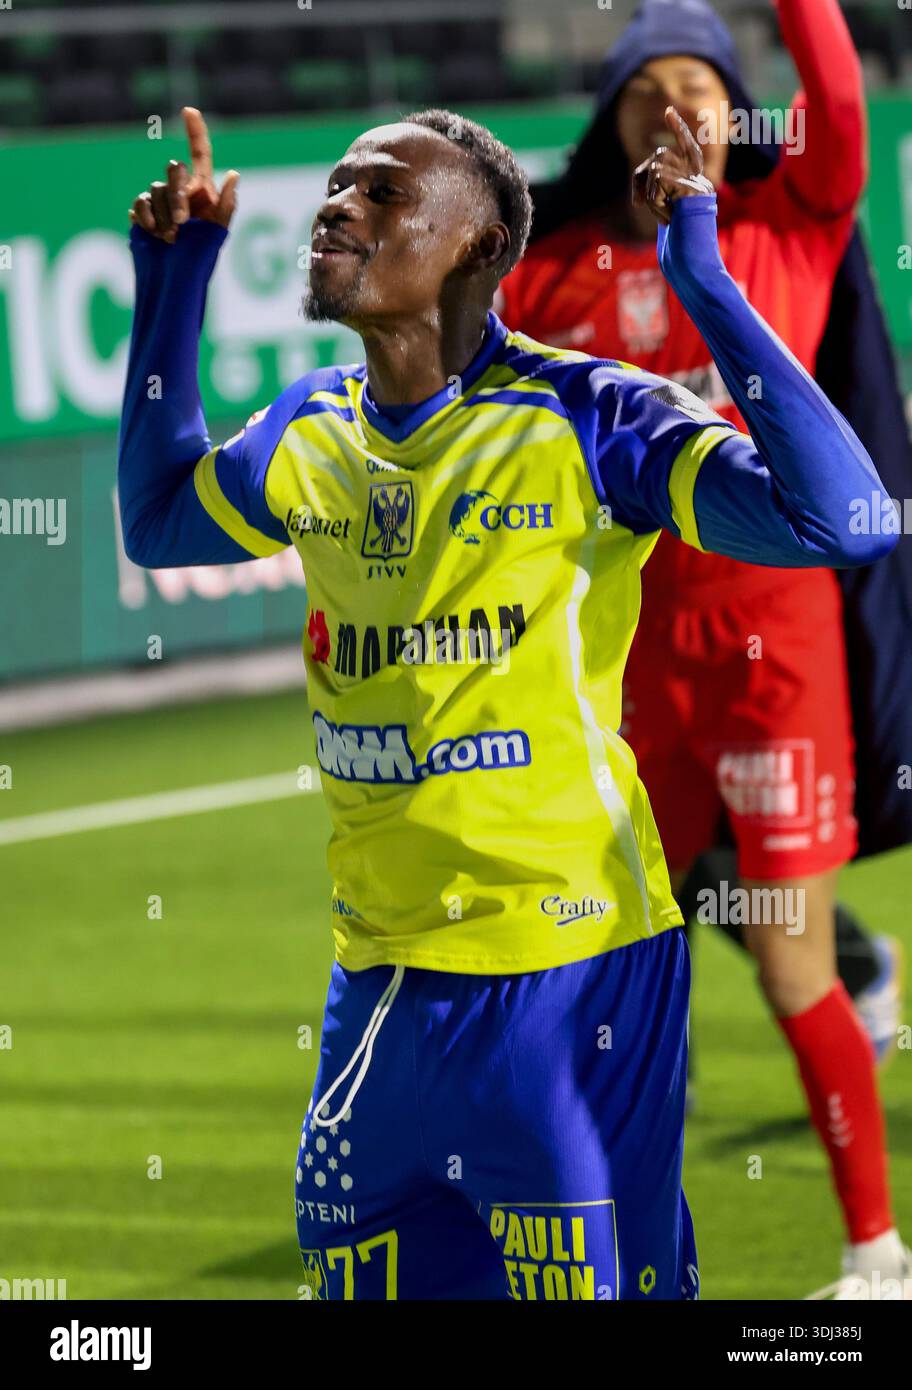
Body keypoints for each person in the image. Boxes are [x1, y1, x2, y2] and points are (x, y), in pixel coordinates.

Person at [119, 103, 895, 1301]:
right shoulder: (310, 427)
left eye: (381, 193)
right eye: (336, 184)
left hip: (572, 975)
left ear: (480, 247)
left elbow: (843, 519)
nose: (337, 205)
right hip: (375, 990)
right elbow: (160, 517)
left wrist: (707, 279)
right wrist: (172, 283)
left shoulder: (590, 417)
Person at [499, 0, 910, 1298]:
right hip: (623, 679)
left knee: (791, 960)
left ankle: (875, 1253)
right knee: (603, 965)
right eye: (644, 92)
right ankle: (608, 1240)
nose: (674, 109)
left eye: (701, 87)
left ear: (739, 117)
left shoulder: (790, 223)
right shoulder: (545, 272)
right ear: (611, 122)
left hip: (777, 667)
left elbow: (841, 104)